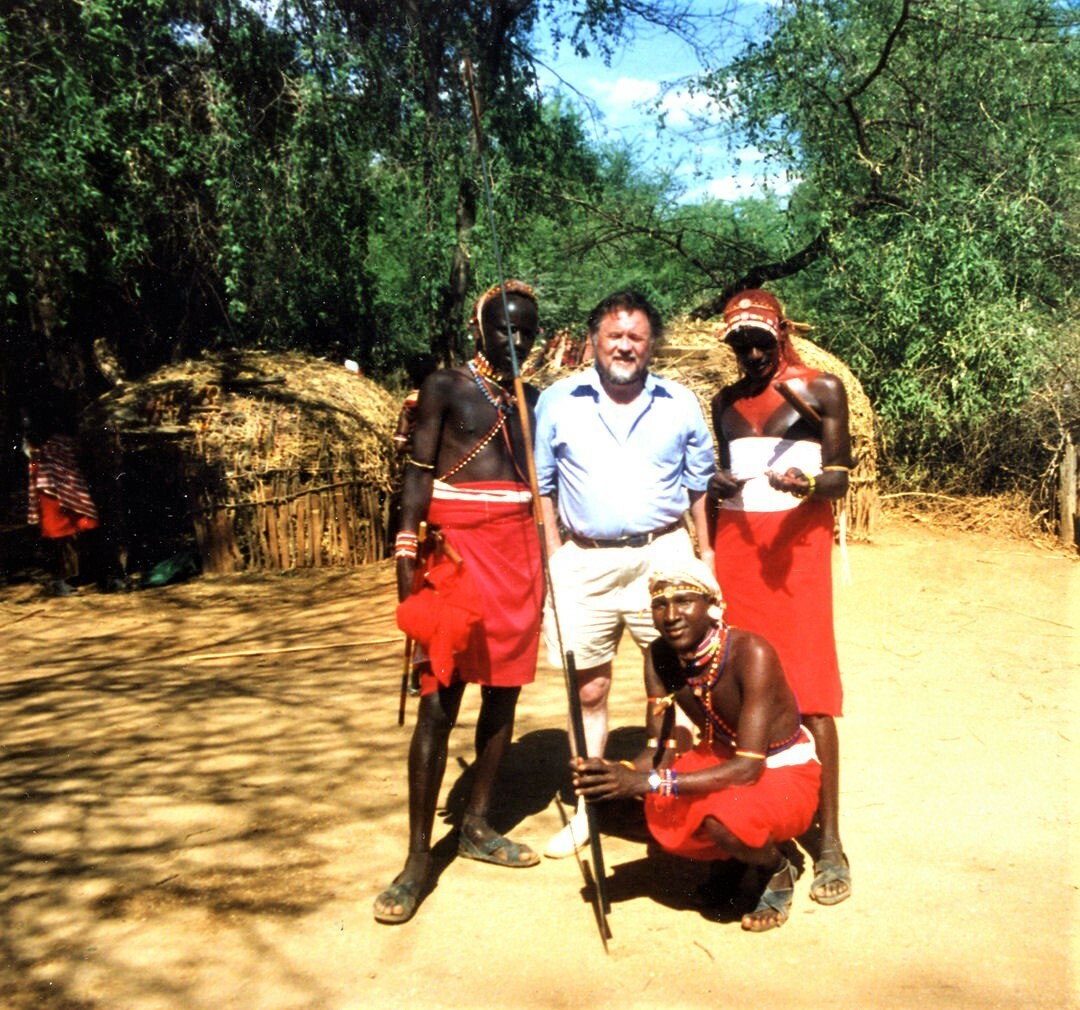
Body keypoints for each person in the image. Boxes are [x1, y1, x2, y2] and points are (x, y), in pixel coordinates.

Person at [374, 281, 544, 925]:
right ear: (480, 331)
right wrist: (406, 555)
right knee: (439, 703)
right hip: (457, 559)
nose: (515, 342)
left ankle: (475, 825)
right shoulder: (444, 385)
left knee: (502, 694)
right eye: (503, 330)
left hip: (520, 558)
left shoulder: (534, 401)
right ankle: (418, 860)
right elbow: (418, 476)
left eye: (526, 331)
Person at [532, 289, 715, 858]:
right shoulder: (558, 401)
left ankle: (671, 802)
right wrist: (555, 553)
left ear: (651, 344)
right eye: (615, 335)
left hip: (663, 554)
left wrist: (705, 555)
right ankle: (590, 808)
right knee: (590, 687)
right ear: (593, 341)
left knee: (679, 684)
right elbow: (543, 485)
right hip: (582, 562)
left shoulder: (680, 401)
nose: (625, 346)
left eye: (636, 337)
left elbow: (699, 484)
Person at [573, 560, 821, 931]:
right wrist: (615, 774)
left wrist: (649, 783)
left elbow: (749, 767)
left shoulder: (751, 652)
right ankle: (733, 859)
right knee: (609, 805)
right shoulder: (658, 657)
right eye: (660, 604)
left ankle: (776, 868)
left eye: (684, 601)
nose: (671, 615)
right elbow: (659, 749)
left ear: (712, 605)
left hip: (783, 771)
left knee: (722, 819)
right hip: (721, 761)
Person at [708, 289, 852, 906]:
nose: (751, 354)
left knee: (810, 690)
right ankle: (751, 833)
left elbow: (840, 477)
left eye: (759, 341)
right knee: (737, 686)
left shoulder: (821, 390)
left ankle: (828, 843)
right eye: (739, 344)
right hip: (738, 546)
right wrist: (714, 483)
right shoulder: (724, 402)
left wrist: (809, 482)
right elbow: (717, 475)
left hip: (796, 549)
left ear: (781, 331)